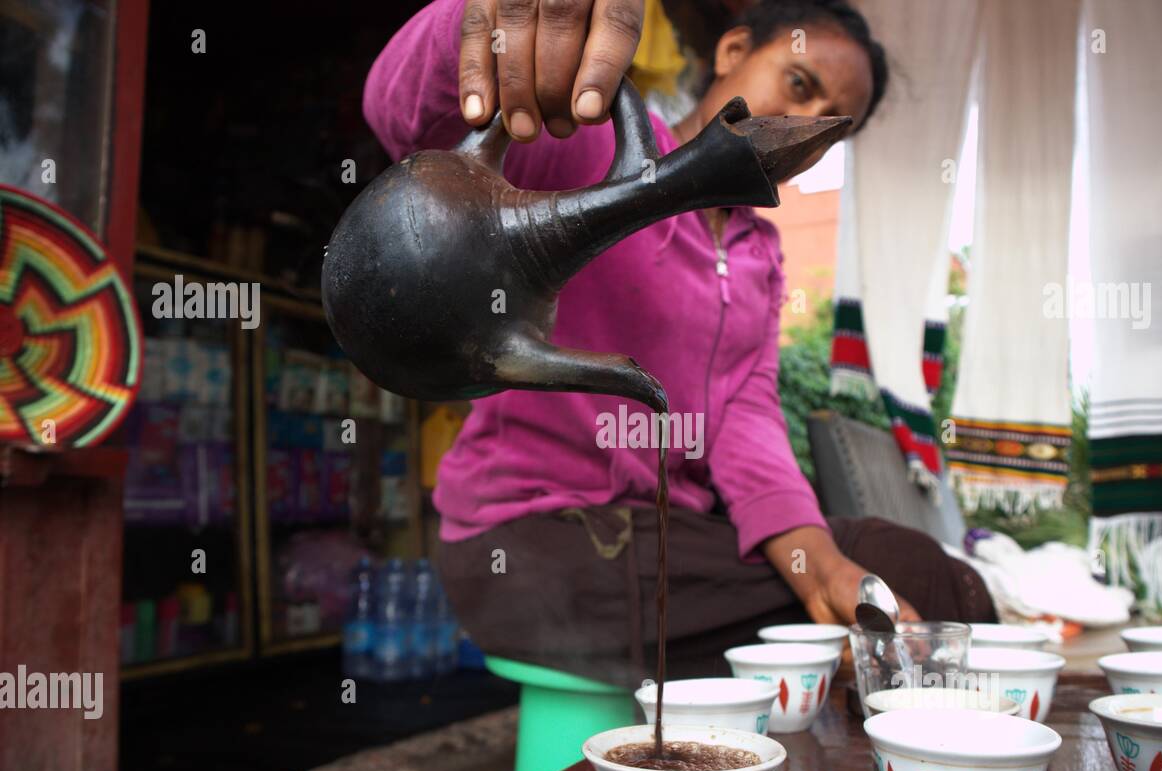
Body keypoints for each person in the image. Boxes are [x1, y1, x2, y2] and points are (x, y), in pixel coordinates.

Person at [364, 0, 996, 687]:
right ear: (731, 52)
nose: (806, 126)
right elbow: (403, 117)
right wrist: (480, 19)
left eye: (831, 125)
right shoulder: (585, 142)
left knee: (904, 572)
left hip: (668, 539)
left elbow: (745, 425)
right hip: (531, 538)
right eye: (799, 83)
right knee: (922, 584)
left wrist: (819, 564)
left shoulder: (761, 254)